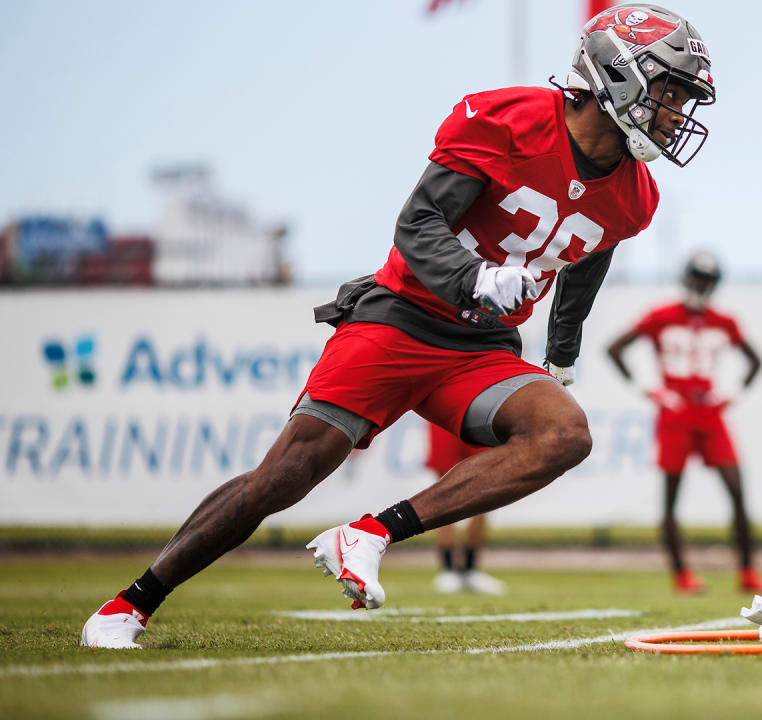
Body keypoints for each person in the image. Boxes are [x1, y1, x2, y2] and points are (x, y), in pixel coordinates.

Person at [81, 4, 716, 648]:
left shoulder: (636, 194)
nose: (675, 113)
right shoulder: (510, 119)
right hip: (401, 319)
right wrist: (474, 276)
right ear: (617, 74)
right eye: (670, 91)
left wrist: (562, 353)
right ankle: (129, 604)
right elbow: (416, 225)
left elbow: (585, 259)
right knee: (286, 475)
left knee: (564, 434)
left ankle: (372, 534)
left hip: (479, 348)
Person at [606, 252, 762, 594]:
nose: (702, 285)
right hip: (676, 413)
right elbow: (615, 349)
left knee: (738, 491)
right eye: (698, 277)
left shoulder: (723, 321)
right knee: (671, 497)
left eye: (707, 280)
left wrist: (731, 393)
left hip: (710, 414)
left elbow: (756, 361)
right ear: (686, 278)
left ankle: (747, 572)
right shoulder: (662, 316)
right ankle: (681, 574)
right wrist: (651, 391)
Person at [426, 422, 506, 595]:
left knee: (486, 485)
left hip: (482, 411)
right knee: (443, 489)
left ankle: (471, 568)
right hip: (444, 411)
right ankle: (448, 568)